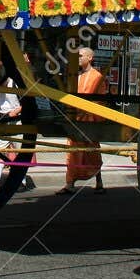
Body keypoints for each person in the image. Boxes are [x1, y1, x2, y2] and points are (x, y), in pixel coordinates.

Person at [59, 46, 106, 195]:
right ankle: (70, 183)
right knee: (72, 151)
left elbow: (101, 101)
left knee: (93, 152)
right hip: (77, 119)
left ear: (90, 58)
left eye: (80, 56)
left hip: (90, 120)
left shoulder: (98, 76)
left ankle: (99, 182)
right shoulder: (77, 77)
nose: (78, 59)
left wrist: (89, 113)